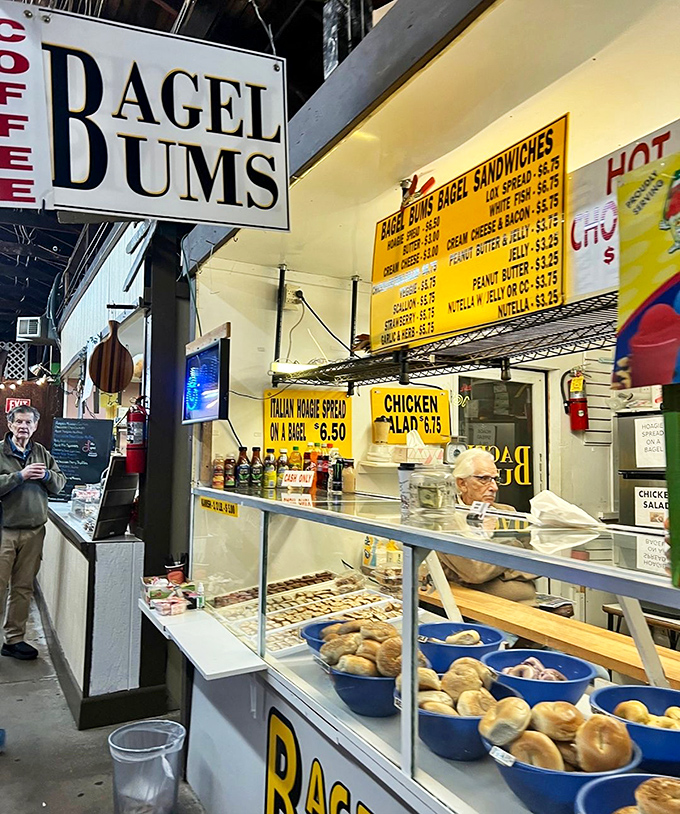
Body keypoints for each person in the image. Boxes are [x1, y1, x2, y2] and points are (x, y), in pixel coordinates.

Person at [0, 405, 65, 660]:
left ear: (35, 426)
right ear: (10, 424)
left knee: (23, 588)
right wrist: (20, 476)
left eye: (28, 423)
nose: (23, 427)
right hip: (4, 530)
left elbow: (60, 484)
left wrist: (47, 474)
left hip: (34, 531)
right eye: (19, 422)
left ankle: (14, 639)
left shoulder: (42, 453)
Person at [438, 448, 537, 603]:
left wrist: (498, 571)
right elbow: (477, 573)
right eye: (484, 479)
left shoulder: (506, 512)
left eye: (494, 479)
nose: (494, 487)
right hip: (482, 611)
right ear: (462, 484)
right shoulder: (446, 520)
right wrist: (514, 548)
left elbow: (535, 564)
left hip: (528, 604)